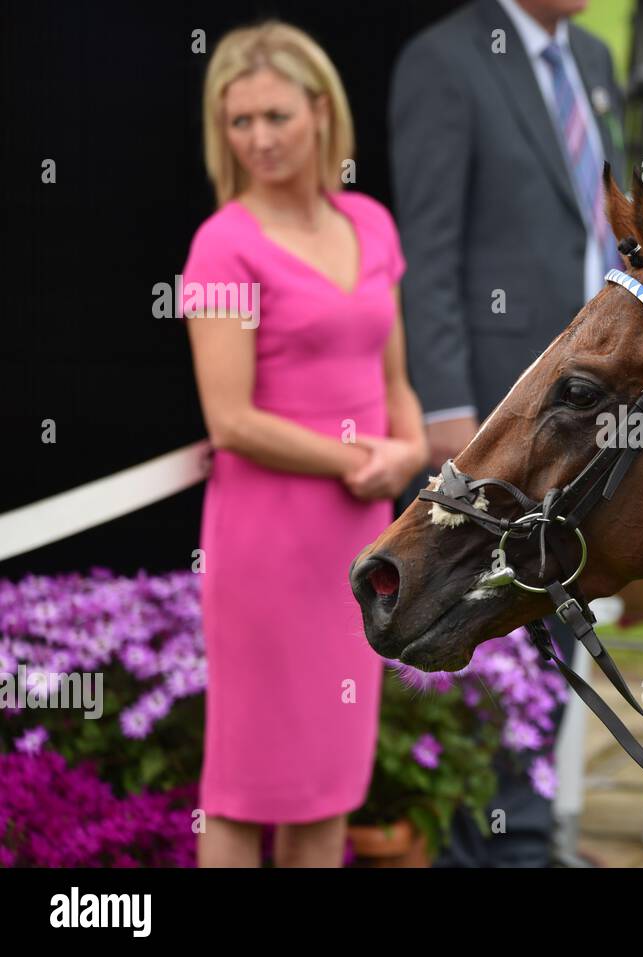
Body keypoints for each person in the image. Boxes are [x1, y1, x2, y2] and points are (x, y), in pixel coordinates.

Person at [183, 21, 427, 866]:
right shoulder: (222, 244)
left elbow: (394, 376)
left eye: (276, 115)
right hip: (266, 540)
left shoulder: (370, 222)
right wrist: (364, 461)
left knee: (329, 780)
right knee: (245, 790)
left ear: (322, 111)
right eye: (239, 121)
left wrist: (407, 450)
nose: (258, 138)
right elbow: (231, 418)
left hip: (360, 535)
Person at [389, 0, 625, 867]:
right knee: (479, 625)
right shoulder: (444, 61)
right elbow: (430, 249)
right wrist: (447, 403)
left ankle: (527, 832)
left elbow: (605, 226)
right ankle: (481, 842)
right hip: (491, 413)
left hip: (586, 412)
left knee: (558, 603)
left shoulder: (594, 57)